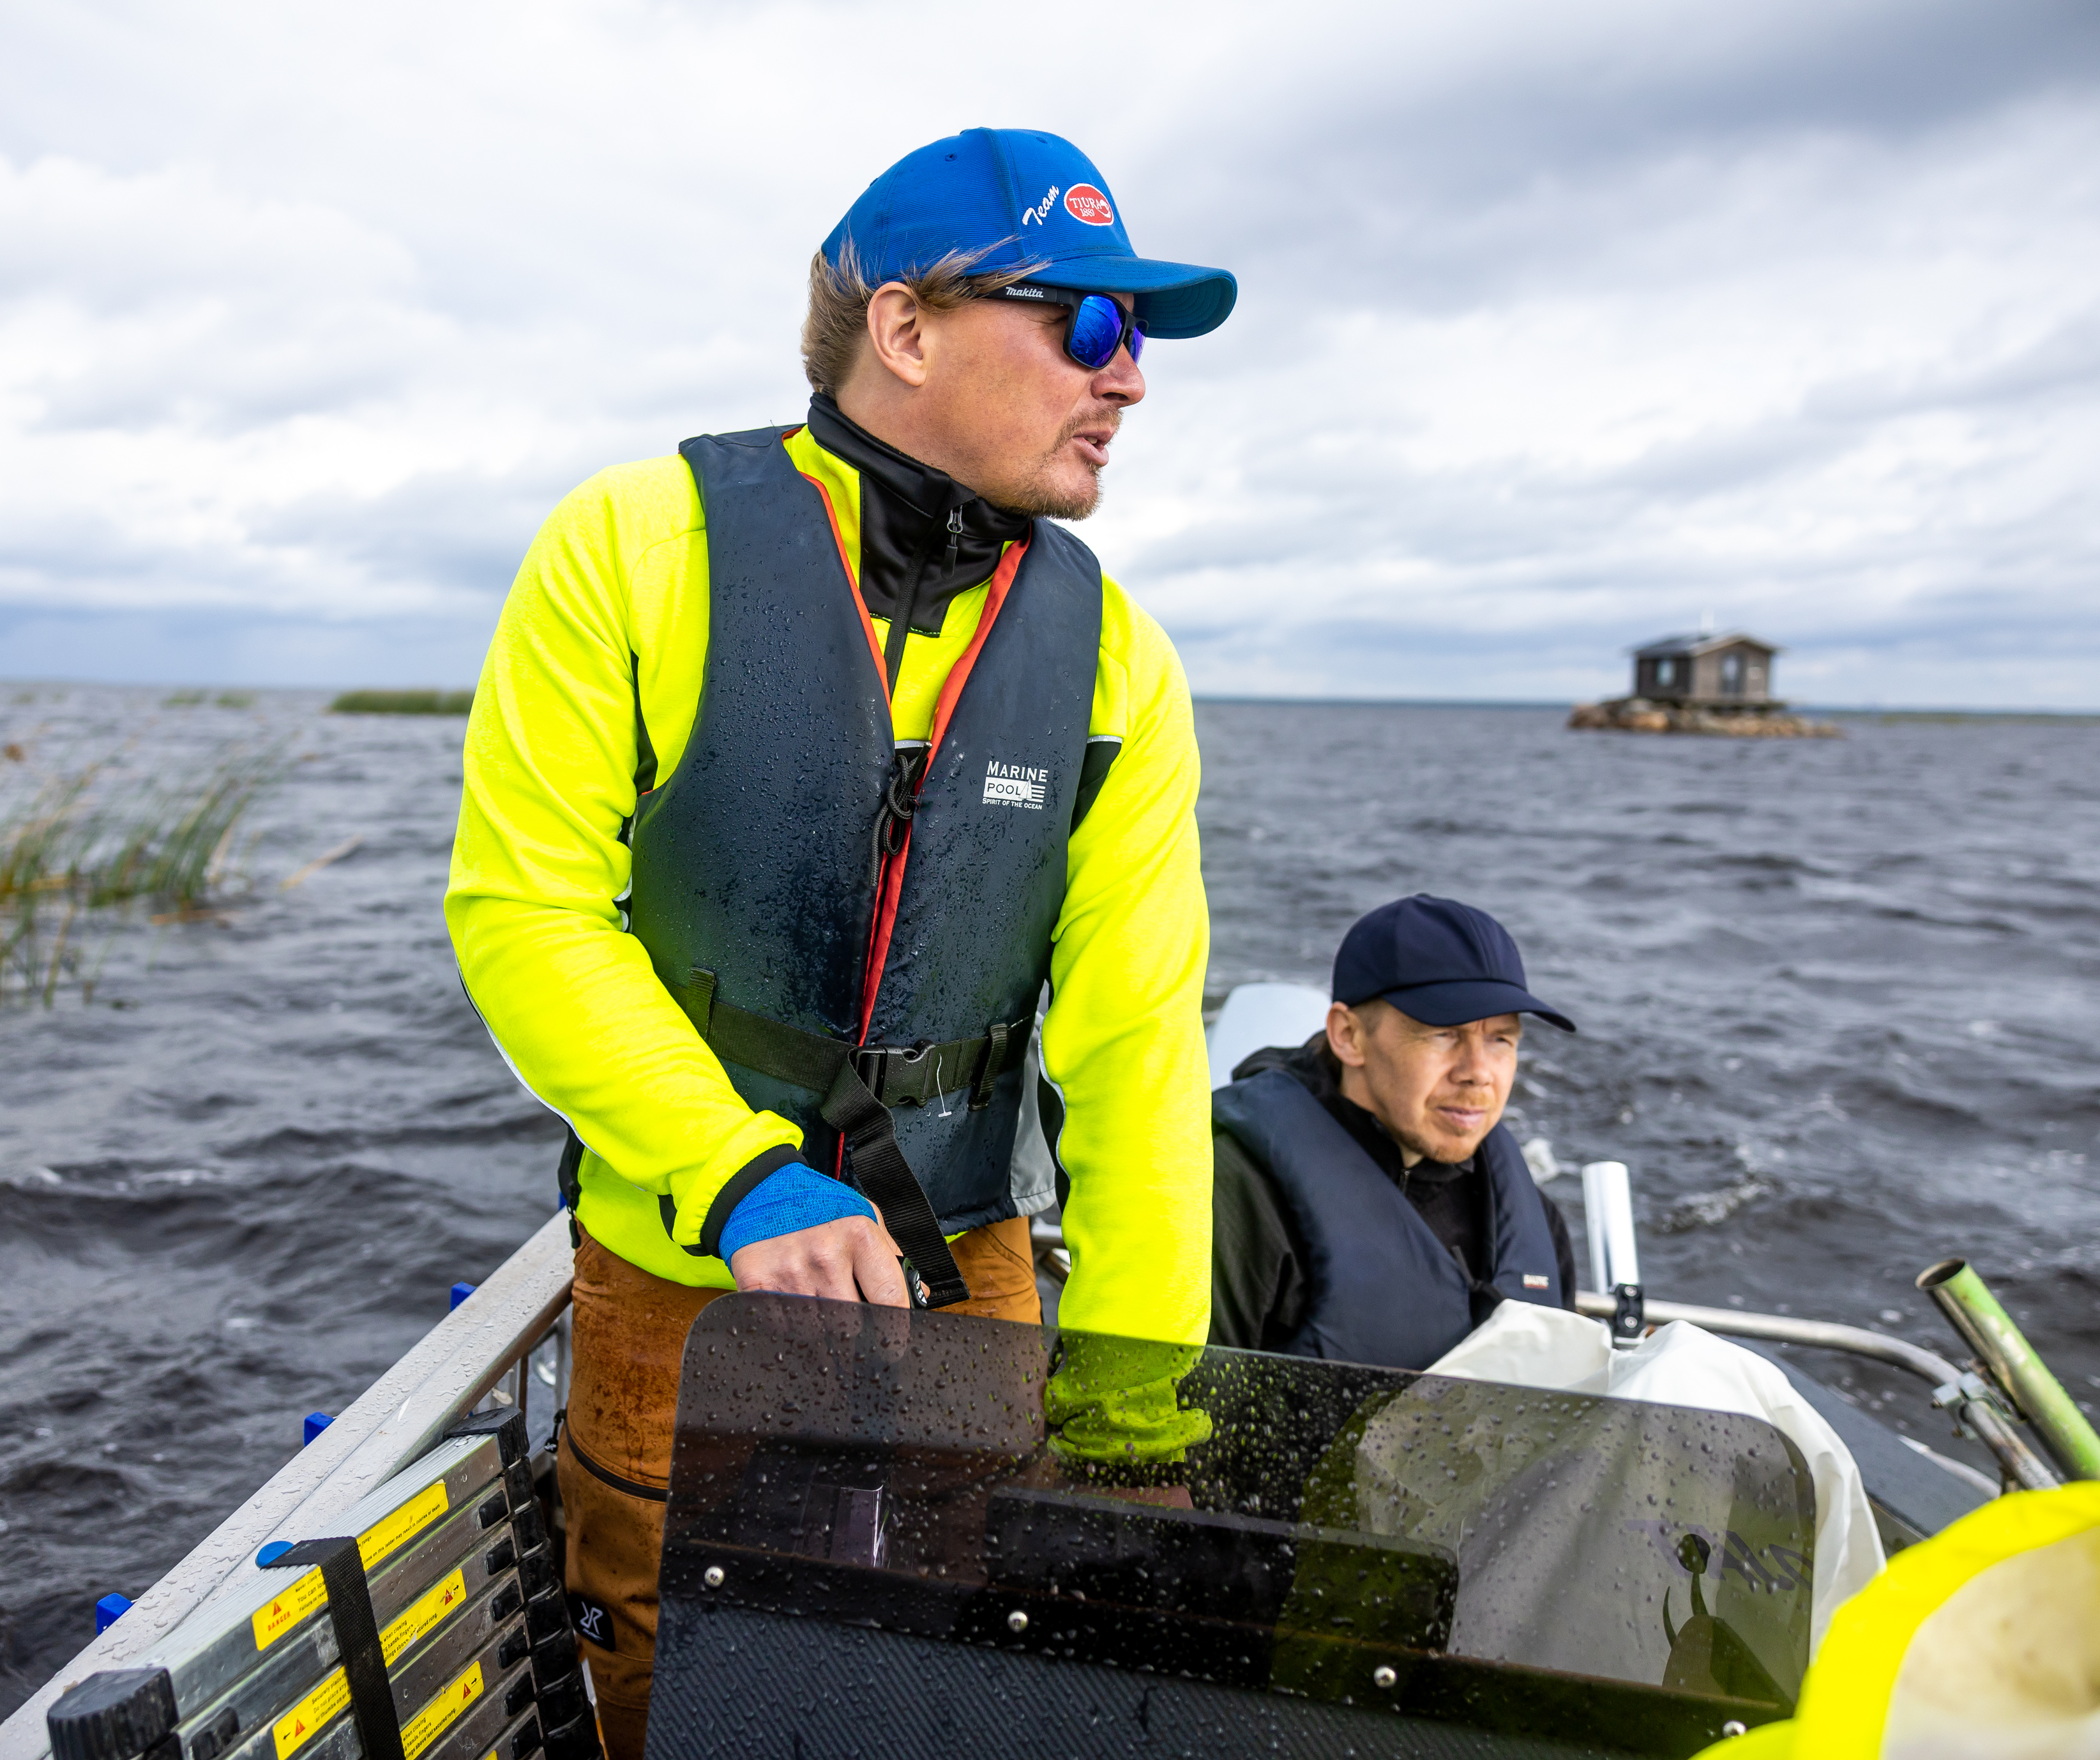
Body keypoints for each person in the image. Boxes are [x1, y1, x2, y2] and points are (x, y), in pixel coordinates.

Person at [446, 128, 1234, 1756]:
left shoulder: (1117, 660)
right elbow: (523, 912)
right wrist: (735, 1173)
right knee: (671, 1687)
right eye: (1089, 326)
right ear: (905, 328)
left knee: (951, 1677)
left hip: (966, 1255)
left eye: (1141, 338)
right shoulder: (626, 546)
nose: (1131, 378)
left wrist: (1132, 1403)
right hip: (684, 1265)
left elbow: (1139, 1036)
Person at [1209, 894, 1578, 1367]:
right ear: (1349, 1036)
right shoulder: (1238, 1197)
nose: (1478, 1072)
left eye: (1500, 1040)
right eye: (1445, 1034)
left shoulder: (1536, 1219)